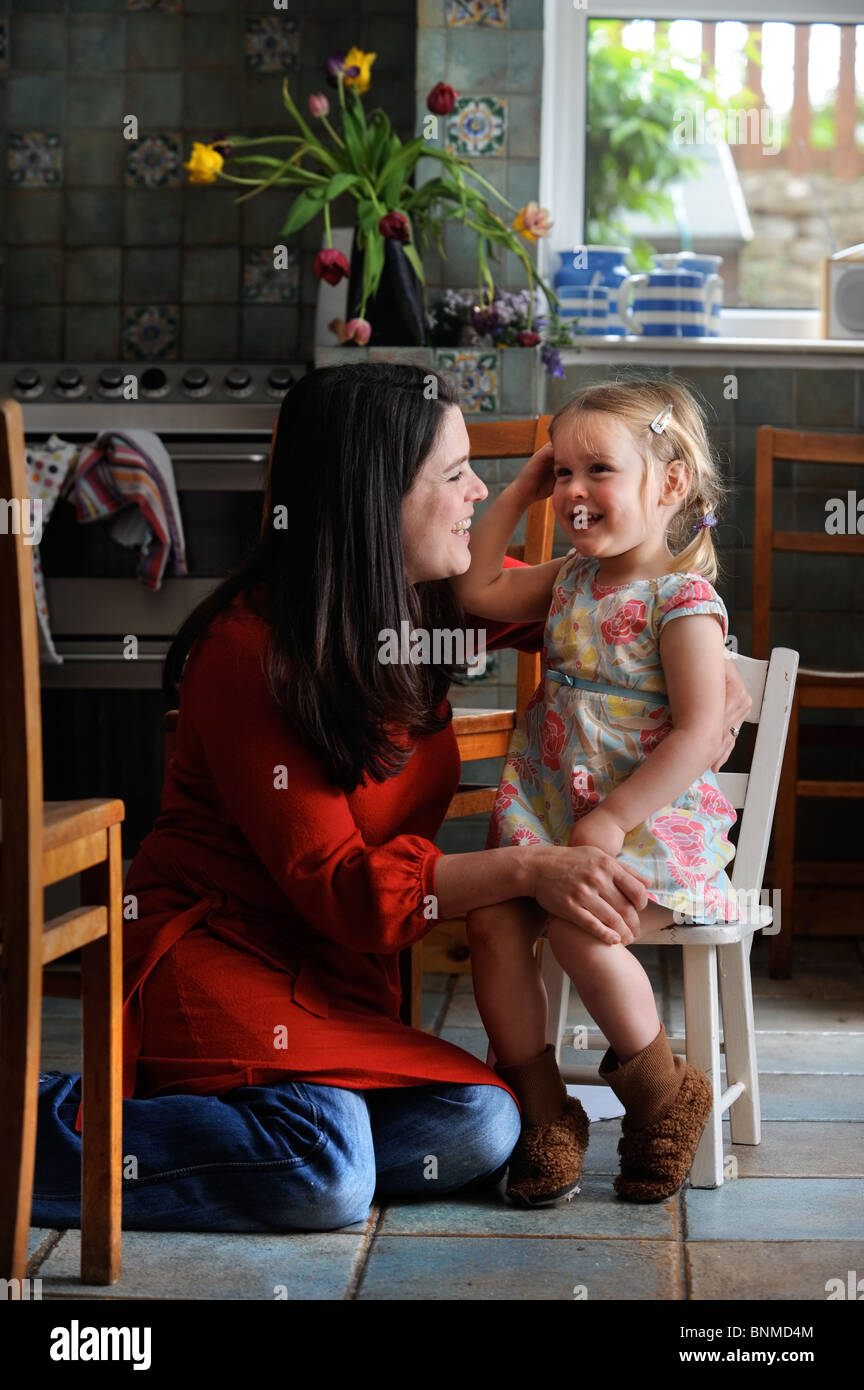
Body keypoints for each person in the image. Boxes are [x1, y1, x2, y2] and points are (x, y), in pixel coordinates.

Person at [33, 366, 750, 1234]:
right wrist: (533, 865)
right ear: (374, 499)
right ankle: (30, 1124)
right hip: (225, 958)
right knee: (324, 1169)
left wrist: (706, 699)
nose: (483, 490)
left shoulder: (418, 605)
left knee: (482, 1125)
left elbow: (622, 618)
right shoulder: (247, 653)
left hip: (339, 981)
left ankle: (284, 1124)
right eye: (455, 476)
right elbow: (342, 885)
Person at [451, 379, 744, 1210]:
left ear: (671, 483)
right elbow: (474, 591)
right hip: (550, 815)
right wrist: (518, 488)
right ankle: (546, 1115)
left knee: (581, 934)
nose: (575, 492)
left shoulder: (684, 602)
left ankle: (660, 1094)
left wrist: (613, 817)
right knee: (493, 919)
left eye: (598, 471)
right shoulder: (572, 578)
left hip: (647, 828)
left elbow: (694, 732)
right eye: (564, 471)